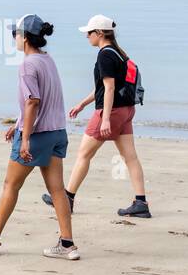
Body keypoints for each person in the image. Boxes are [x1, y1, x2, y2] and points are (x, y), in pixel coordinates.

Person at [0, 14, 79, 260]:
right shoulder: (47, 60)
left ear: (25, 37)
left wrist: (25, 137)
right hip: (57, 132)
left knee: (11, 185)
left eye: (15, 34)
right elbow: (43, 101)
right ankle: (68, 245)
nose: (14, 38)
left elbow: (33, 103)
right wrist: (17, 124)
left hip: (37, 135)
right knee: (58, 190)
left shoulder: (27, 65)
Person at [42, 14, 150, 218]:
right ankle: (141, 203)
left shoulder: (105, 55)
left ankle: (67, 199)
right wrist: (82, 104)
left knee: (84, 154)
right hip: (126, 110)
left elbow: (109, 89)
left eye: (89, 33)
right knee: (130, 158)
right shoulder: (119, 53)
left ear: (99, 33)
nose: (87, 37)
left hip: (111, 112)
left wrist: (106, 119)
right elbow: (103, 88)